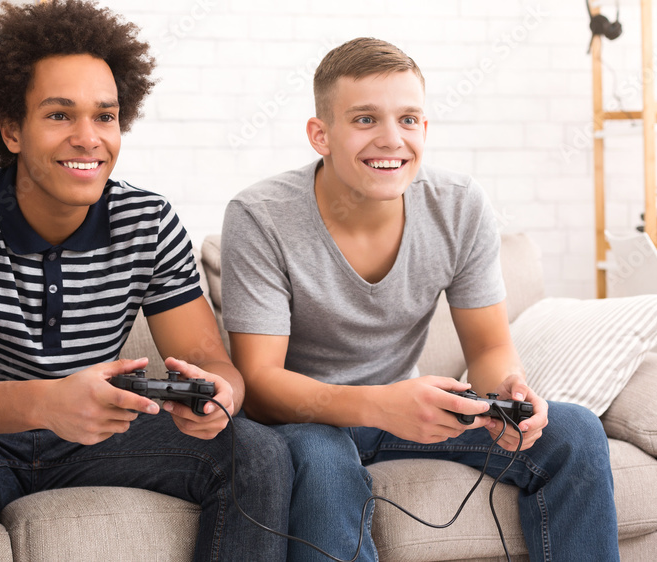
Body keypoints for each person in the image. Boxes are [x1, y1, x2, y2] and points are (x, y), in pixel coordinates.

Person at [0, 0, 291, 562]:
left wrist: (216, 396)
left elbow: (211, 362)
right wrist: (47, 403)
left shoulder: (148, 220)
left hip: (95, 439)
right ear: (12, 130)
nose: (89, 137)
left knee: (258, 452)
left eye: (105, 116)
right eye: (60, 114)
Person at [220, 37, 619, 562]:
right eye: (365, 119)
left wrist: (506, 393)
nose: (392, 139)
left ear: (424, 129)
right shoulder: (259, 216)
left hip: (410, 414)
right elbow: (263, 386)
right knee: (321, 463)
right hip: (305, 422)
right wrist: (381, 405)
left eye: (408, 119)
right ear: (321, 135)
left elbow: (488, 346)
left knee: (576, 432)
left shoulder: (459, 205)